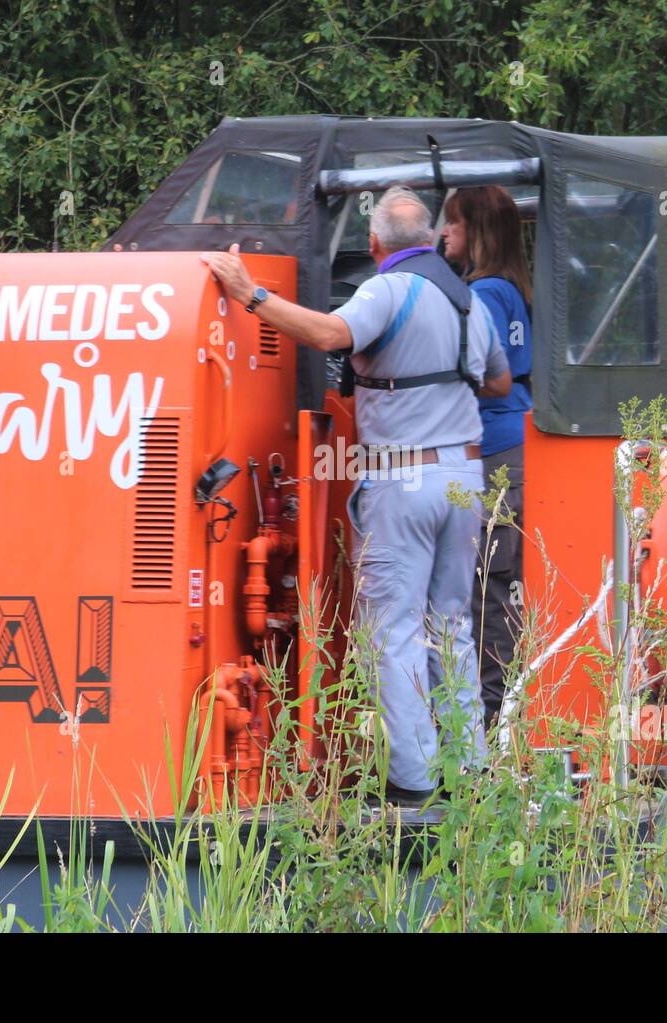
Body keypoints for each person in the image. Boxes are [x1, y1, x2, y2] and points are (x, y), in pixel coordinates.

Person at [201, 187, 512, 806]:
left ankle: (414, 783)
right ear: (427, 239)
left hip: (405, 478)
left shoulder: (388, 289)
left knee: (391, 630)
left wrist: (251, 295)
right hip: (464, 478)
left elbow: (326, 333)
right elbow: (499, 381)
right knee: (450, 622)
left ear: (374, 247)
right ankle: (469, 770)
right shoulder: (469, 303)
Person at [440, 186, 533, 730]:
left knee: (486, 591)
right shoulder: (512, 290)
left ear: (475, 231)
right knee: (498, 588)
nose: (444, 234)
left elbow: (490, 377)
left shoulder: (483, 294)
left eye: (452, 224)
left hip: (495, 454)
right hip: (514, 450)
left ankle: (490, 720)